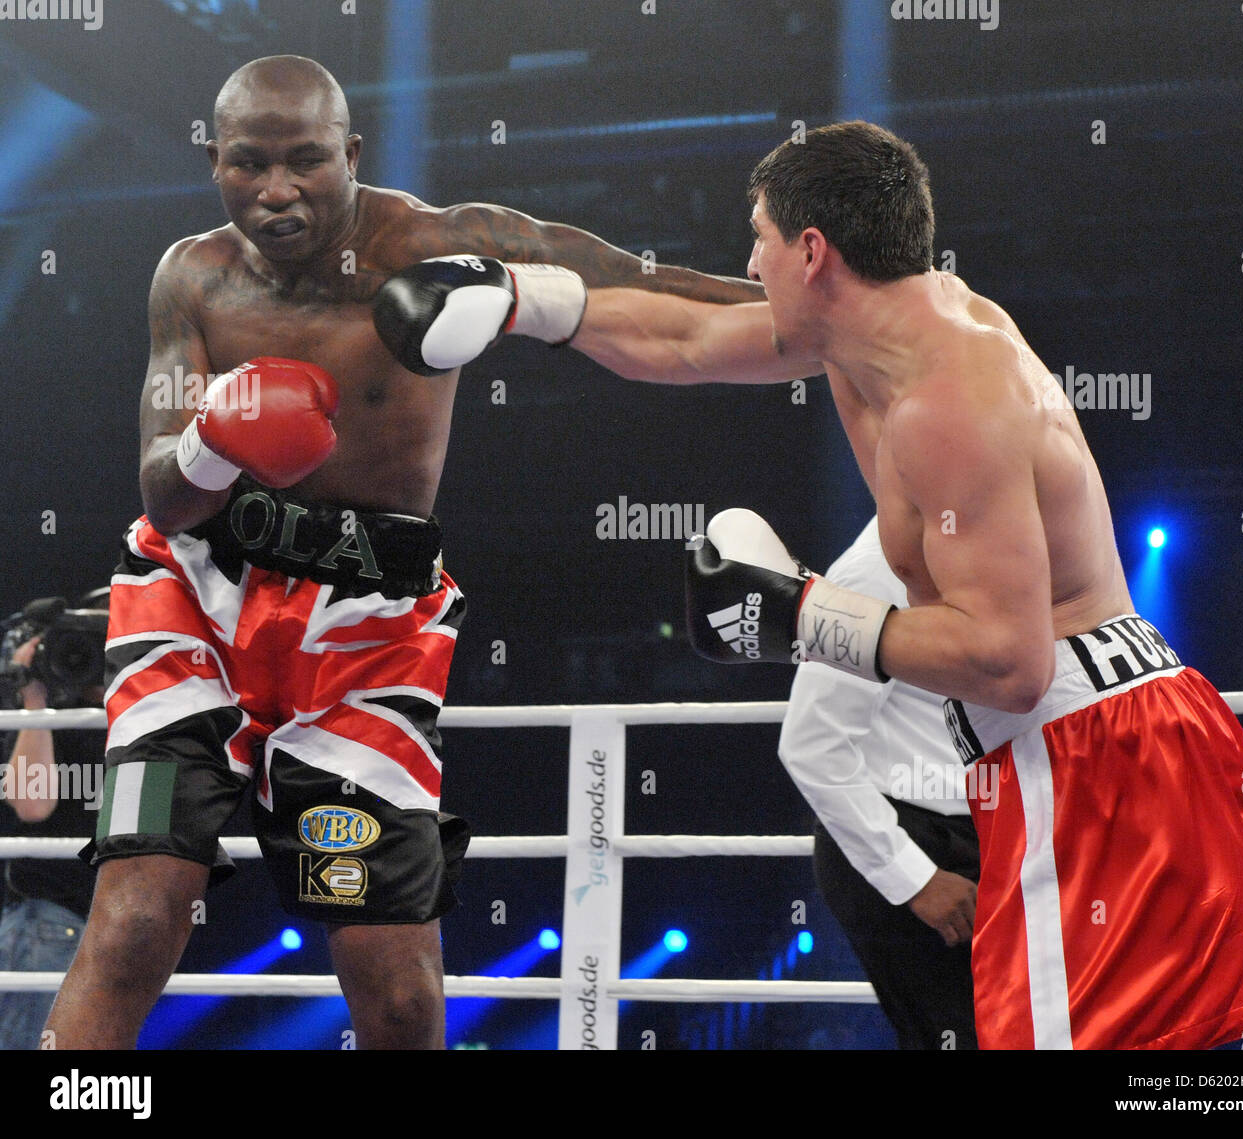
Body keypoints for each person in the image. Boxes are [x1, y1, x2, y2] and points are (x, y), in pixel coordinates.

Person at [414, 121, 1243, 1049]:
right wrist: (526, 301)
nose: (750, 266)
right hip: (1123, 735)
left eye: (758, 237)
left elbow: (1009, 661)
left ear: (812, 250)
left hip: (1088, 756)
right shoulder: (878, 336)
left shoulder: (946, 402)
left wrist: (802, 613)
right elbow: (690, 337)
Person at [44, 54, 762, 1051]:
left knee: (399, 994)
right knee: (131, 923)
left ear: (353, 151)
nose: (277, 190)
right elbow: (161, 486)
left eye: (304, 161)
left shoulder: (441, 244)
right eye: (248, 163)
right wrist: (220, 435)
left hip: (369, 631)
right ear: (214, 160)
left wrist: (829, 316)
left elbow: (638, 287)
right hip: (191, 609)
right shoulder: (192, 274)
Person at [779, 517, 978, 1049]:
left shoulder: (975, 548)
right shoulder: (870, 573)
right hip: (913, 841)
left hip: (979, 835)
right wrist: (915, 878)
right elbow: (810, 742)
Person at [0, 596, 107, 1049]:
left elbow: (154, 822)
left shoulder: (145, 728)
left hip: (104, 928)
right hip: (49, 920)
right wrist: (34, 696)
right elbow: (31, 805)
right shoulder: (43, 724)